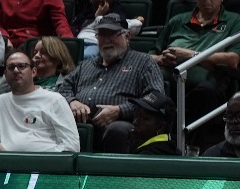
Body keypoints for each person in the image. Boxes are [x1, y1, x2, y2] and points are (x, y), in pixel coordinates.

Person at [59, 16, 167, 151]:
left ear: (127, 36)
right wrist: (72, 101)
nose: (106, 40)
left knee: (118, 129)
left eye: (111, 34)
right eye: (102, 35)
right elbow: (63, 88)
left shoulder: (143, 62)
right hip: (81, 123)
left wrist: (120, 110)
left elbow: (155, 97)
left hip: (123, 124)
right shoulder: (85, 65)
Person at [157, 0, 240, 120]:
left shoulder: (234, 21)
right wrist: (161, 59)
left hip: (208, 82)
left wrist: (189, 55)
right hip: (169, 79)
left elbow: (233, 60)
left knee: (206, 92)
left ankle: (191, 141)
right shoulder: (178, 20)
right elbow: (152, 55)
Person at [0, 50, 80, 152]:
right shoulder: (0, 101)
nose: (16, 70)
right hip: (7, 164)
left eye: (22, 66)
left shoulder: (55, 100)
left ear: (33, 72)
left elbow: (71, 145)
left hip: (45, 165)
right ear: (5, 74)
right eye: (11, 67)